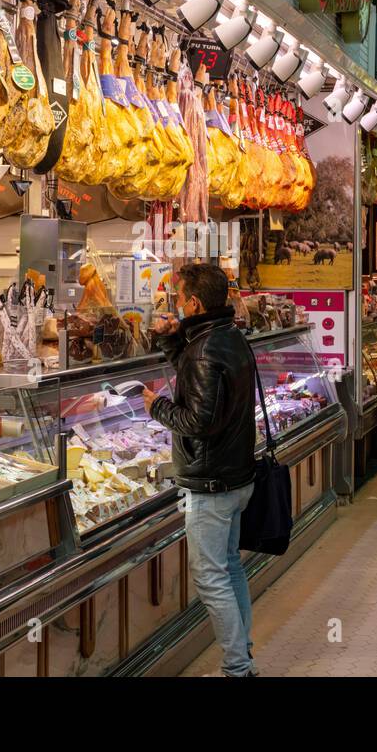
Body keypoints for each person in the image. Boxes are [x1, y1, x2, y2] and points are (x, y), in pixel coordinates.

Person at [143, 263, 258, 677]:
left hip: (211, 484)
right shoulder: (228, 336)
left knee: (211, 578)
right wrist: (172, 341)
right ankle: (243, 656)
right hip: (237, 475)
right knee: (230, 567)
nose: (176, 305)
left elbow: (198, 421)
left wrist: (156, 406)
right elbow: (198, 380)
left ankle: (237, 668)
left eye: (179, 299)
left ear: (193, 303)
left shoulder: (204, 349)